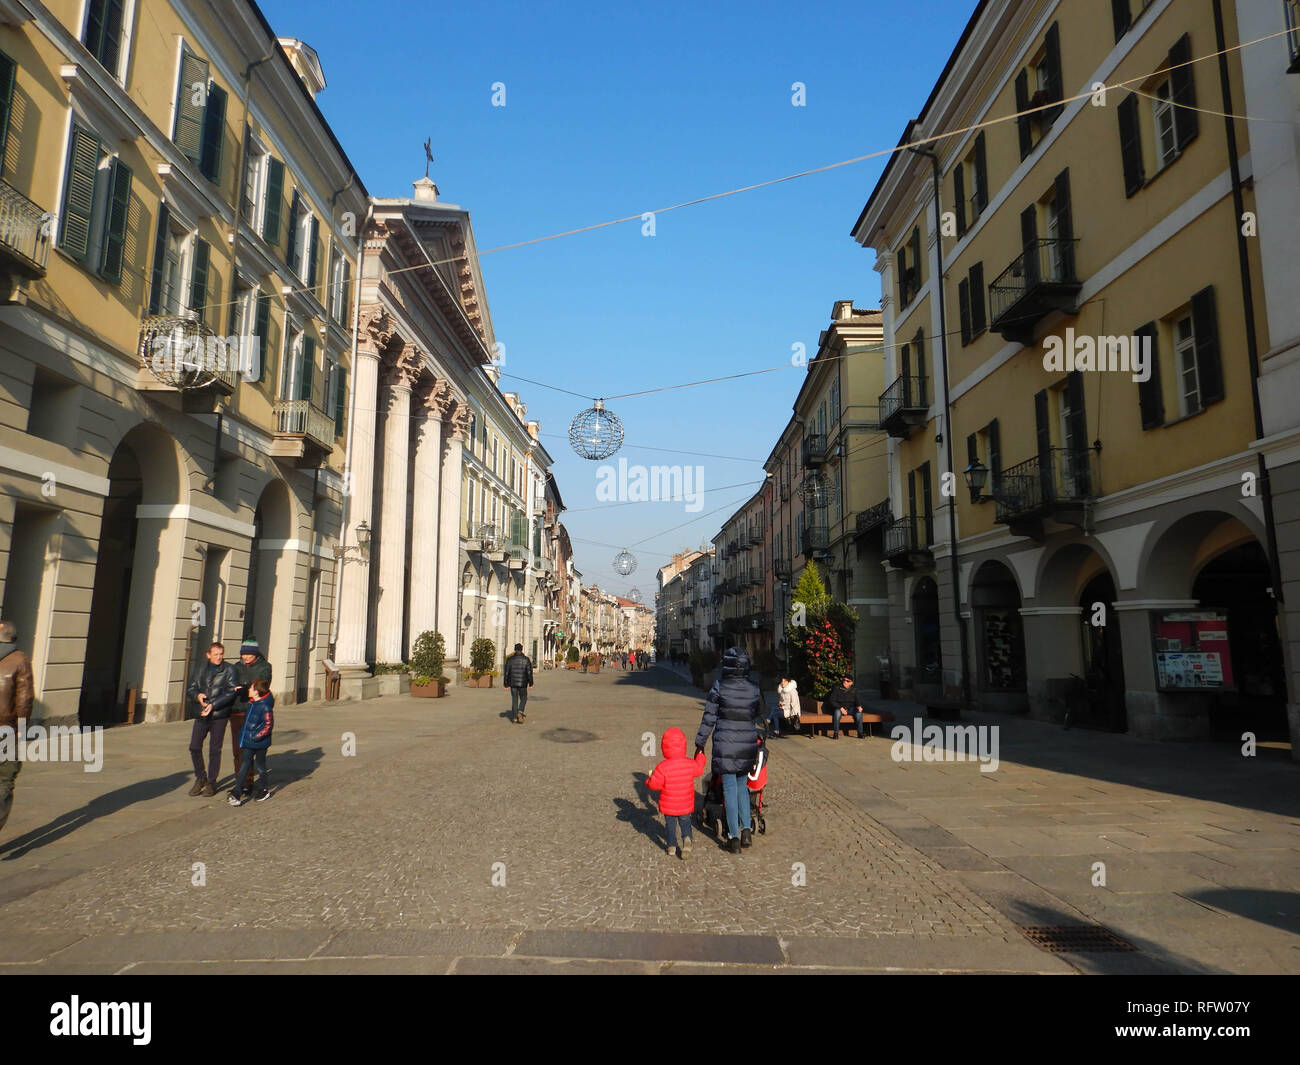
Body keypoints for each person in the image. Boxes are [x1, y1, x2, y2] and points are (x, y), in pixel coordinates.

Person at [694, 647, 761, 854]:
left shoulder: (719, 686)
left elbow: (709, 717)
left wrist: (700, 742)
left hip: (725, 742)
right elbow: (757, 713)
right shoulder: (753, 688)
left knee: (729, 789)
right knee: (742, 787)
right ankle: (746, 830)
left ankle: (733, 837)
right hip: (747, 742)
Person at [646, 726, 706, 860]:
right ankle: (687, 840)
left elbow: (655, 784)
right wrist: (701, 756)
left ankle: (672, 846)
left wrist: (648, 781)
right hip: (685, 804)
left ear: (664, 747)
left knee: (670, 826)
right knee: (685, 823)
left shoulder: (662, 767)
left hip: (669, 806)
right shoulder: (689, 764)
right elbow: (699, 769)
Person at [186, 642, 239, 796]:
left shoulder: (230, 670)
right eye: (215, 654)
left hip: (219, 715)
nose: (219, 657)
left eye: (221, 654)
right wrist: (198, 696)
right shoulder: (200, 669)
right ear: (208, 655)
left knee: (215, 749)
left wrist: (214, 705)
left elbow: (231, 692)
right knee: (194, 746)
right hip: (202, 713)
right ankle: (200, 777)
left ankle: (211, 782)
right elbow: (191, 688)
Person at [0, 620, 34, 834]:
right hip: (6, 728)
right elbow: (24, 698)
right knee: (5, 778)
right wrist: (22, 724)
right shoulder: (20, 659)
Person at [229, 638, 272, 794]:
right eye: (243, 654)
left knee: (252, 749)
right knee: (238, 750)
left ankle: (252, 782)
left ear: (255, 654)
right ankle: (242, 782)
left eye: (248, 654)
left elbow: (262, 685)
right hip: (237, 712)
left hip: (254, 712)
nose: (245, 657)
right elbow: (230, 683)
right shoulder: (236, 667)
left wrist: (244, 689)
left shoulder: (265, 667)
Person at [228, 677, 274, 806]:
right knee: (244, 766)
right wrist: (244, 735)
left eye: (251, 688)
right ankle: (237, 791)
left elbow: (268, 725)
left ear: (256, 691)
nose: (249, 689)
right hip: (248, 742)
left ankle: (264, 789)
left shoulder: (265, 707)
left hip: (259, 743)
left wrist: (256, 737)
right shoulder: (251, 704)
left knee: (260, 766)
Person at [825, 674, 865, 739]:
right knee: (837, 713)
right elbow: (832, 700)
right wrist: (841, 708)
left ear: (851, 683)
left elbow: (858, 700)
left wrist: (859, 706)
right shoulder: (837, 688)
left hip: (851, 708)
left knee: (859, 713)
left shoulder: (855, 690)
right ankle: (836, 733)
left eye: (847, 681)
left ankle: (860, 733)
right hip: (840, 708)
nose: (845, 682)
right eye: (844, 680)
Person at [504, 642, 534, 724]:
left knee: (514, 699)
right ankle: (520, 711)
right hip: (523, 683)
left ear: (515, 650)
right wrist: (531, 683)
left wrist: (506, 684)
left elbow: (506, 672)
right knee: (524, 697)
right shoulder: (526, 660)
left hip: (513, 683)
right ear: (521, 649)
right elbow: (529, 672)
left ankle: (514, 718)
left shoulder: (510, 660)